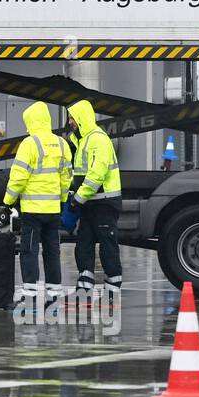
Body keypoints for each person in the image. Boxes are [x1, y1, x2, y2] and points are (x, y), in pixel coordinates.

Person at [3, 101, 72, 310]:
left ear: (32, 121)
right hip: (52, 210)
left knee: (29, 252)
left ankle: (30, 296)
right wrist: (60, 200)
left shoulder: (29, 144)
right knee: (52, 252)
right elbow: (66, 177)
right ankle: (53, 295)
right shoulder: (61, 143)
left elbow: (18, 177)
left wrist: (7, 201)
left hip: (32, 211)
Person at [63, 99, 123, 302]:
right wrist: (73, 194)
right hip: (91, 201)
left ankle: (113, 289)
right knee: (84, 244)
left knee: (107, 244)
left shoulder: (98, 139)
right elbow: (79, 174)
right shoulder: (82, 141)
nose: (70, 121)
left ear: (81, 118)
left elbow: (96, 174)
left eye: (72, 117)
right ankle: (84, 288)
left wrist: (77, 199)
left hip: (104, 202)